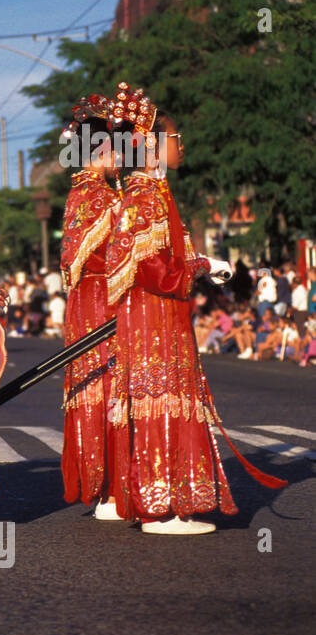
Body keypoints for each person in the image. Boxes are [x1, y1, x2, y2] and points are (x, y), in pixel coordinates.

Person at [105, 101, 284, 534]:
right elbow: (151, 269)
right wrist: (198, 269)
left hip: (159, 314)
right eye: (174, 137)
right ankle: (163, 506)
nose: (180, 145)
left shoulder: (150, 193)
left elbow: (163, 259)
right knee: (161, 399)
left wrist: (201, 261)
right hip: (154, 317)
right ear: (149, 145)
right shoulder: (145, 197)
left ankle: (167, 501)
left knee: (166, 398)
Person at [59, 98, 122, 519]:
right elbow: (118, 254)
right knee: (108, 384)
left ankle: (103, 488)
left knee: (92, 385)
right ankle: (112, 490)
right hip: (103, 299)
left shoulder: (81, 190)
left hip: (86, 299)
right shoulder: (100, 195)